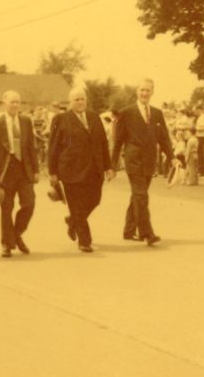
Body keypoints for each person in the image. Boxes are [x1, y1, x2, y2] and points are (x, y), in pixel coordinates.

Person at [48, 88, 114, 253]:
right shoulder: (61, 119)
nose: (80, 102)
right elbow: (53, 147)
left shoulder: (94, 117)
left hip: (94, 170)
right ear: (70, 102)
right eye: (76, 99)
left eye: (82, 99)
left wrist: (108, 166)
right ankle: (84, 241)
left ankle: (72, 221)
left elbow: (103, 143)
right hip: (70, 170)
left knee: (95, 200)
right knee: (76, 205)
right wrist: (53, 172)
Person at [111, 78, 173, 246]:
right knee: (141, 196)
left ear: (152, 92)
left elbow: (164, 138)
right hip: (134, 160)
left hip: (149, 161)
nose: (145, 93)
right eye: (142, 90)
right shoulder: (126, 112)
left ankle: (129, 230)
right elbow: (117, 141)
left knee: (138, 196)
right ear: (137, 92)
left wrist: (172, 158)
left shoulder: (157, 113)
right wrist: (112, 165)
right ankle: (147, 233)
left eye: (148, 90)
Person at [0, 90, 39, 258]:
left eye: (17, 102)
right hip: (5, 172)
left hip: (24, 171)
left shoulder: (26, 122)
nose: (15, 105)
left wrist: (36, 170)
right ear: (4, 103)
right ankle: (6, 244)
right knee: (6, 209)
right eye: (12, 102)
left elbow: (31, 147)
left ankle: (16, 234)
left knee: (29, 204)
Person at [194, 105, 204, 176]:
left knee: (200, 154)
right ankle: (200, 170)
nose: (195, 112)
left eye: (196, 110)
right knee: (199, 154)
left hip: (201, 136)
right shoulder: (200, 117)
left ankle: (201, 171)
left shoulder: (203, 117)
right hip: (198, 136)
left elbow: (203, 127)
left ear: (199, 110)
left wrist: (195, 128)